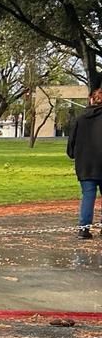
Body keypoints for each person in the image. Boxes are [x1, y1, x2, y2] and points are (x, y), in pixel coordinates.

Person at [67, 86, 102, 239]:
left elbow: (71, 146)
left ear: (91, 99)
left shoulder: (80, 119)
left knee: (88, 195)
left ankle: (84, 228)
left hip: (85, 165)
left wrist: (76, 154)